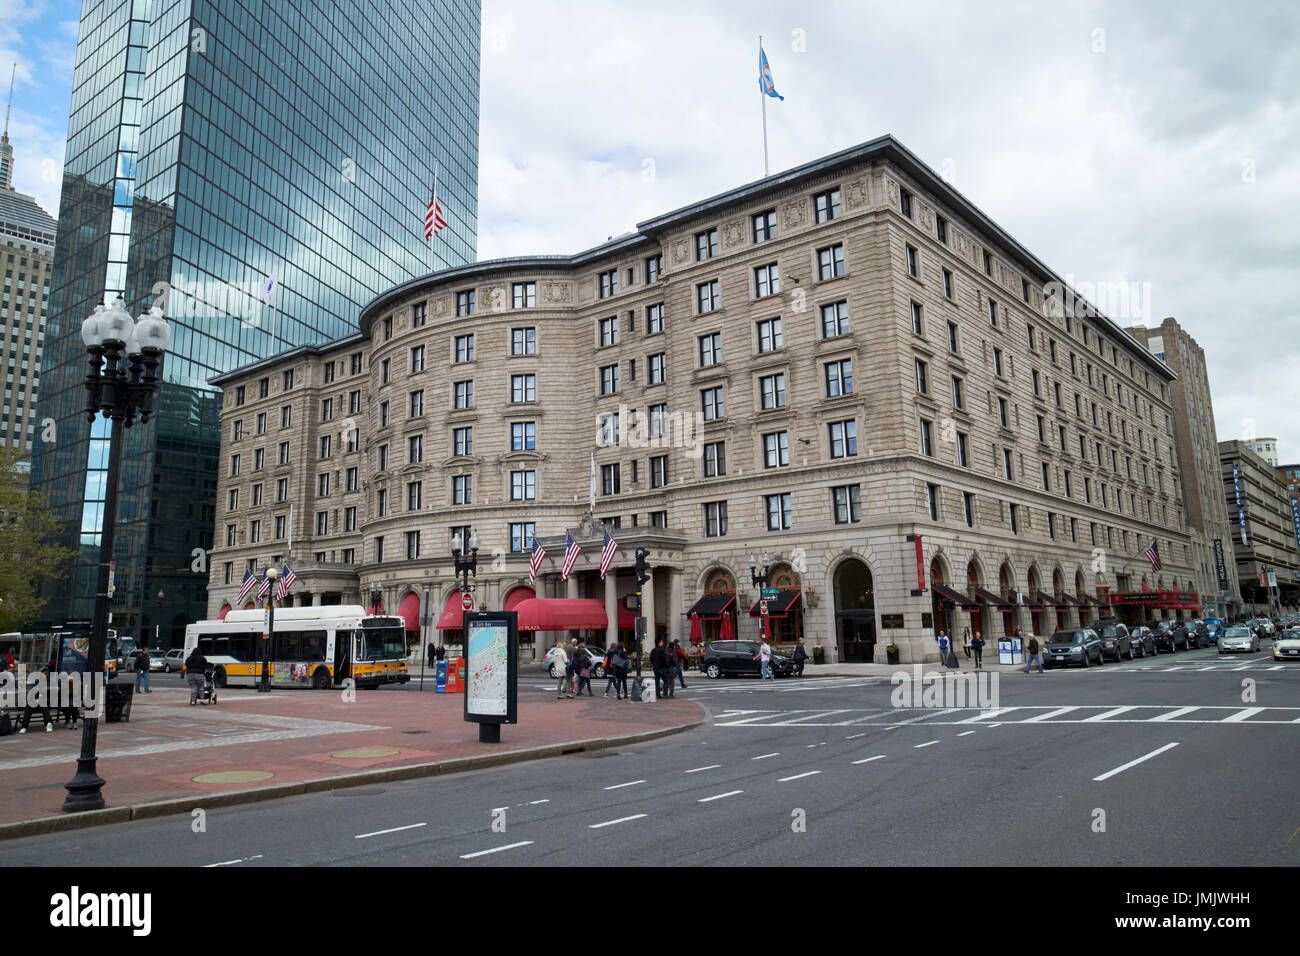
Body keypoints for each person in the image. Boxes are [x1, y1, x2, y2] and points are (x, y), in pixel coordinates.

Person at [17, 665, 53, 733]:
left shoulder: (50, 681)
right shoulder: (35, 681)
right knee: (29, 707)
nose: (46, 675)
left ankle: (48, 724)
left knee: (44, 706)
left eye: (47, 673)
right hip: (35, 702)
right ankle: (24, 727)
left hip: (46, 703)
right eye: (44, 673)